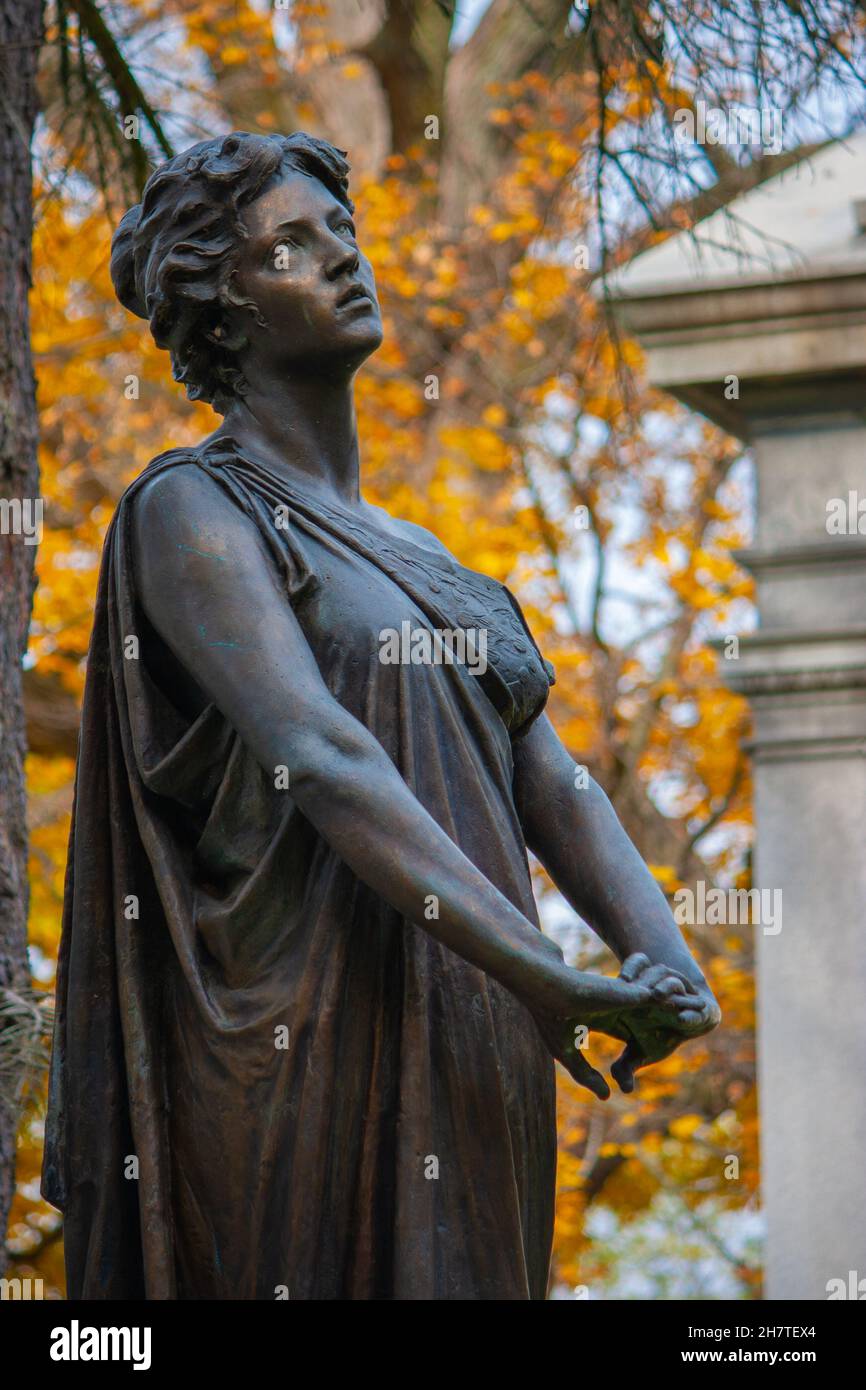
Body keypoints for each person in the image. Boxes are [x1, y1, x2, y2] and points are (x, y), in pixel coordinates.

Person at [43, 132, 719, 1300]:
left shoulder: (436, 561)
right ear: (225, 308)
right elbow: (320, 752)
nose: (343, 261)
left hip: (475, 1017)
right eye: (288, 248)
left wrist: (658, 956)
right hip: (302, 1031)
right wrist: (544, 970)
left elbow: (553, 783)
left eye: (340, 235)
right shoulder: (194, 510)